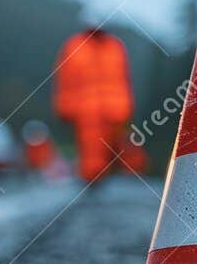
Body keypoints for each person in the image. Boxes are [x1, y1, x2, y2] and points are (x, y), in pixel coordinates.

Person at [54, 26, 146, 183]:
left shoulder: (115, 47)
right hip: (87, 109)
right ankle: (94, 178)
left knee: (124, 145)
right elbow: (66, 79)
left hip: (114, 108)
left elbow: (123, 78)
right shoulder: (74, 46)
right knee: (92, 146)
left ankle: (129, 177)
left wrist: (126, 106)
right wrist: (66, 106)